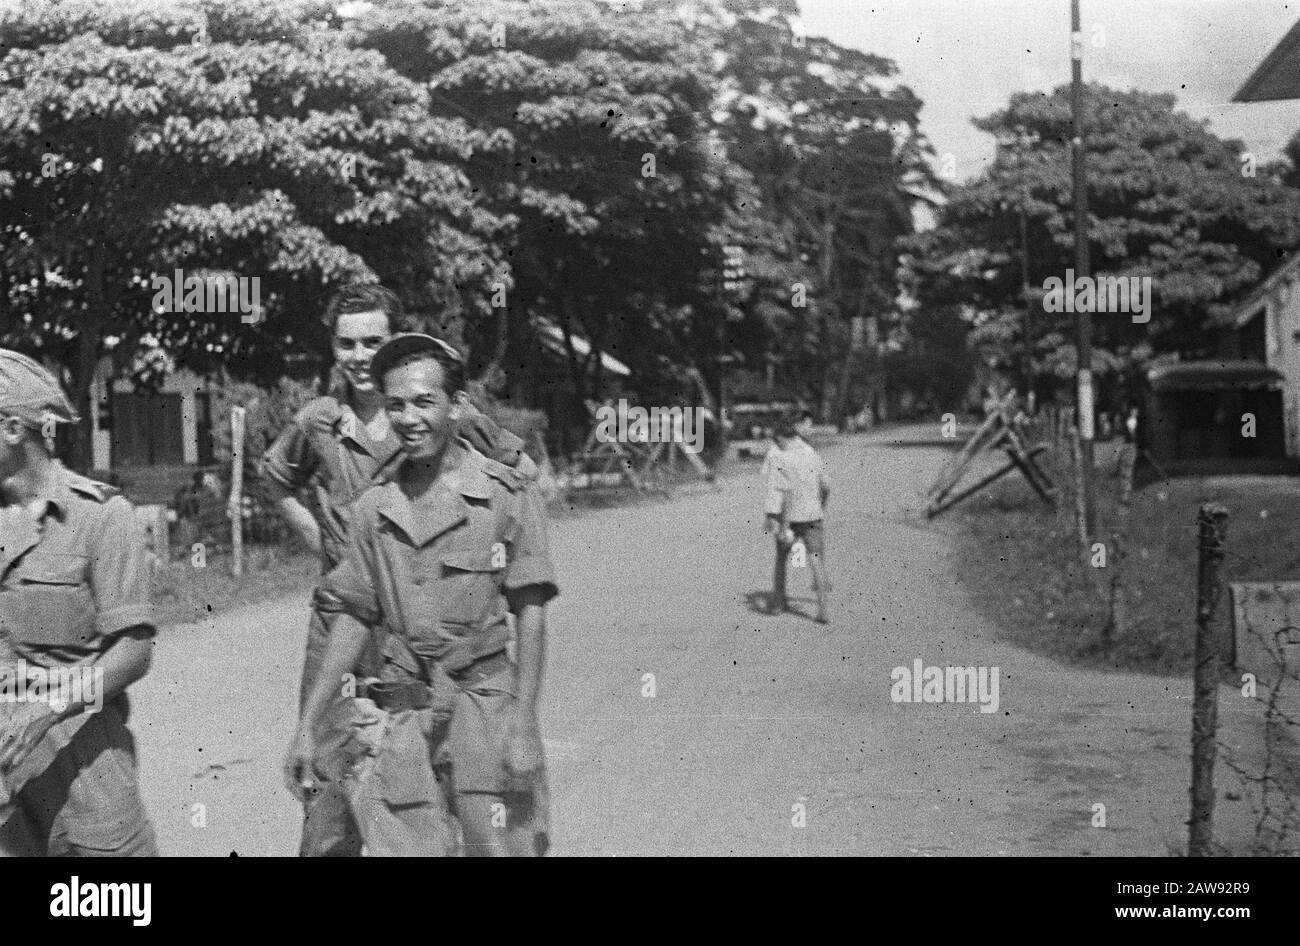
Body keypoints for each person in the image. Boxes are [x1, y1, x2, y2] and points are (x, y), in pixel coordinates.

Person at [261, 284, 534, 857]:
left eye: (372, 342)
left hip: (425, 620)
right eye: (347, 343)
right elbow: (276, 480)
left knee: (439, 773)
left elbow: (517, 469)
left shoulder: (432, 405)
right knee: (331, 779)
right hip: (349, 613)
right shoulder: (320, 421)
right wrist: (322, 540)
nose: (359, 357)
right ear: (332, 348)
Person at [0, 349, 158, 856]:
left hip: (83, 761)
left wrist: (46, 709)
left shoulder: (102, 518)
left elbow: (133, 653)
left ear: (12, 430)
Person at [763, 419, 831, 623]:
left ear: (782, 438)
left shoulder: (781, 459)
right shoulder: (813, 456)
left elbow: (779, 495)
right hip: (813, 515)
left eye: (777, 440)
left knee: (781, 558)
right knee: (815, 559)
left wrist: (775, 520)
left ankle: (778, 602)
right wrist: (821, 506)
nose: (777, 445)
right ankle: (823, 609)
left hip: (790, 519)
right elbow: (826, 486)